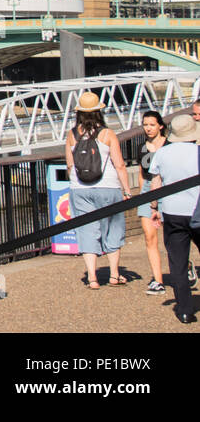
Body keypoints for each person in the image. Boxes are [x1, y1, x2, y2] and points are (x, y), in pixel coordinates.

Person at [63, 92, 132, 290]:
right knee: (112, 227)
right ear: (99, 111)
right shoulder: (107, 134)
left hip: (80, 189)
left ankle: (92, 278)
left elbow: (69, 165)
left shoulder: (71, 134)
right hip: (108, 186)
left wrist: (76, 182)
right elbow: (119, 165)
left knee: (86, 230)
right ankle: (114, 274)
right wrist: (126, 190)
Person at [149, 112, 200, 324]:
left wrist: (154, 207)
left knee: (177, 263)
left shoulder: (162, 153)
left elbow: (156, 182)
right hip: (197, 210)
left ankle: (185, 310)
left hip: (172, 211)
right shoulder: (198, 151)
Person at [137, 110, 169, 295]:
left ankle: (183, 264)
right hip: (148, 189)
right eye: (145, 124)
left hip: (167, 186)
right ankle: (158, 280)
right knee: (150, 236)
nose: (148, 128)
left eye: (151, 125)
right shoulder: (142, 147)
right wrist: (143, 196)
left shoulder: (169, 144)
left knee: (172, 235)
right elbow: (142, 174)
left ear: (160, 126)